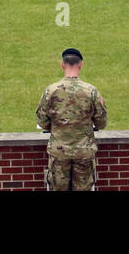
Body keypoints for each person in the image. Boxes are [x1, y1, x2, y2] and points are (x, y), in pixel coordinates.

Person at [36, 48, 107, 192]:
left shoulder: (51, 90)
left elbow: (42, 121)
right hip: (84, 151)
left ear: (63, 64)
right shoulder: (91, 91)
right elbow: (101, 122)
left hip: (59, 151)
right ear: (81, 64)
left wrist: (59, 127)